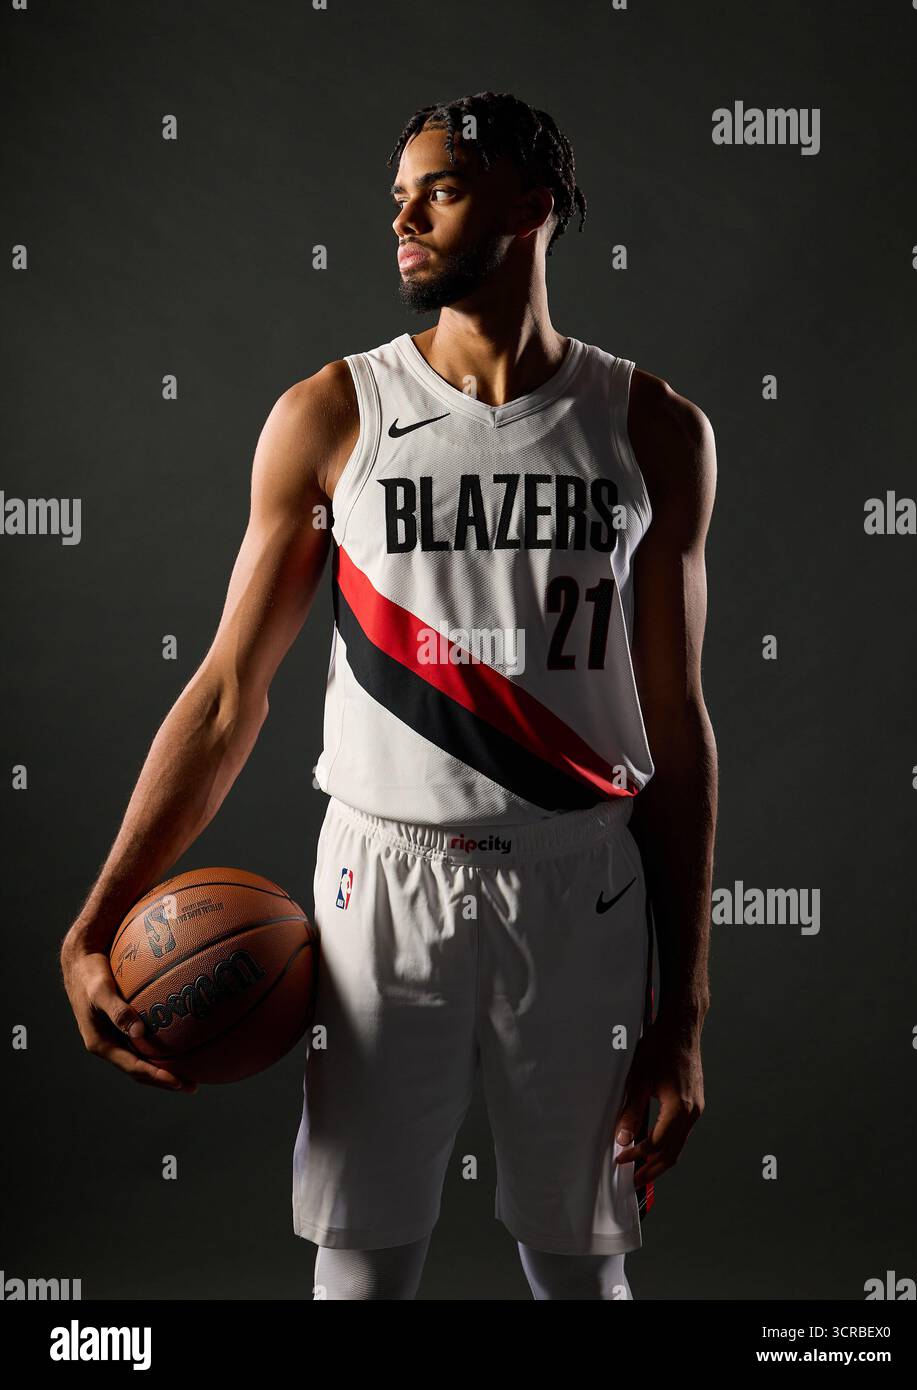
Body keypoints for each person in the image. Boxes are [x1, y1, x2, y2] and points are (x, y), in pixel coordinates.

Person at [60, 90, 717, 1301]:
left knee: (584, 1273)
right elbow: (224, 695)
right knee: (359, 1269)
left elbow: (674, 725)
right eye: (396, 196)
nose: (403, 217)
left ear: (533, 208)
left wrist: (680, 1015)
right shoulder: (331, 413)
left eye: (441, 189)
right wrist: (99, 914)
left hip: (584, 878)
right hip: (380, 882)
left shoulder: (650, 426)